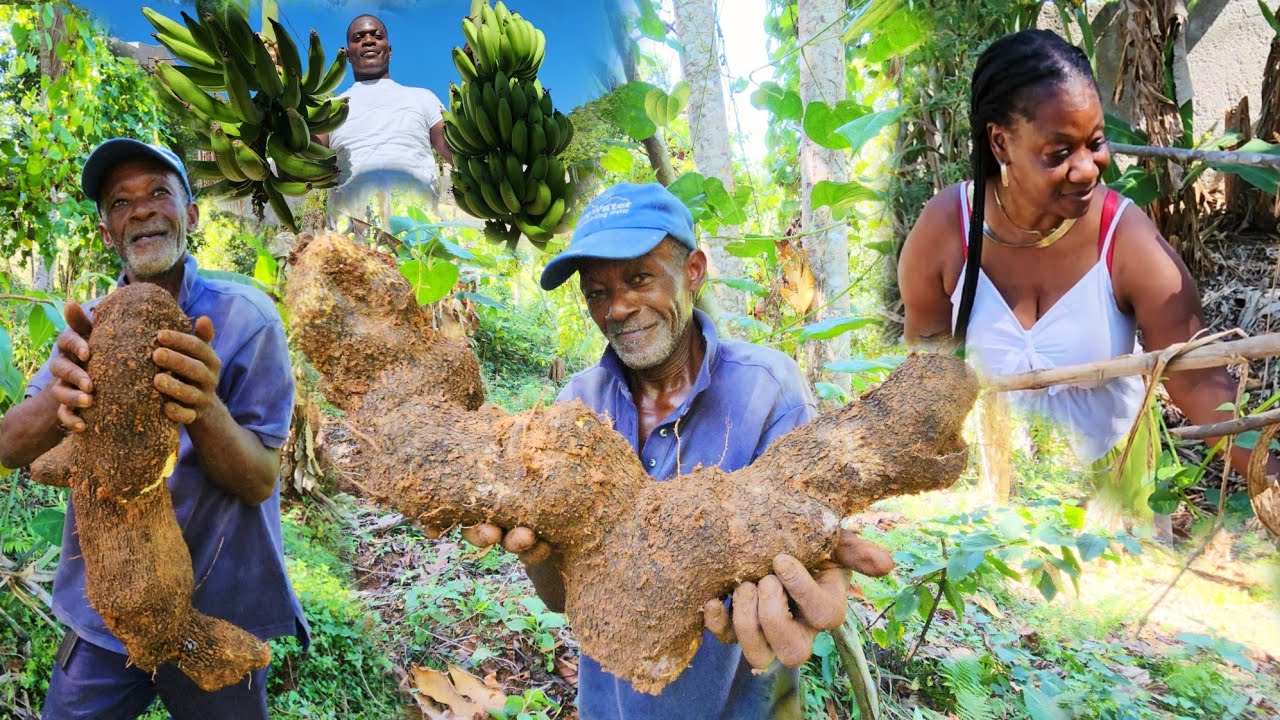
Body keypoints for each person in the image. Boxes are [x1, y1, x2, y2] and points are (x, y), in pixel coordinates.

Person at [463, 183, 894, 719]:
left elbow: (806, 533)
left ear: (693, 271)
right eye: (596, 292)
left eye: (639, 278)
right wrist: (535, 548)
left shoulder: (767, 389)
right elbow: (562, 598)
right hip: (613, 705)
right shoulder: (576, 406)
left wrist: (809, 577)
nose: (617, 308)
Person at [897, 29, 1269, 526]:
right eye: (1058, 153)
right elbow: (923, 375)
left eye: (1095, 143)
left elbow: (1200, 378)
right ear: (1001, 142)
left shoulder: (1126, 238)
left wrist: (1270, 475)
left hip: (1111, 504)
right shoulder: (948, 229)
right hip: (988, 510)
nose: (1087, 169)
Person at [0, 139, 306, 719]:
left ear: (191, 215)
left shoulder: (247, 320)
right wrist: (61, 398)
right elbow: (10, 447)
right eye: (120, 202)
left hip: (218, 610)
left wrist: (204, 406)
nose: (140, 210)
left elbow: (261, 480)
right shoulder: (88, 324)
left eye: (159, 192)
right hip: (104, 612)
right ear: (107, 231)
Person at [319, 13, 454, 224]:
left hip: (417, 238)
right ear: (347, 55)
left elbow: (455, 154)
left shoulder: (423, 98)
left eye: (377, 35)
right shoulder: (330, 109)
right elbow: (301, 162)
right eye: (358, 38)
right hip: (350, 242)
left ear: (389, 50)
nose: (368, 40)